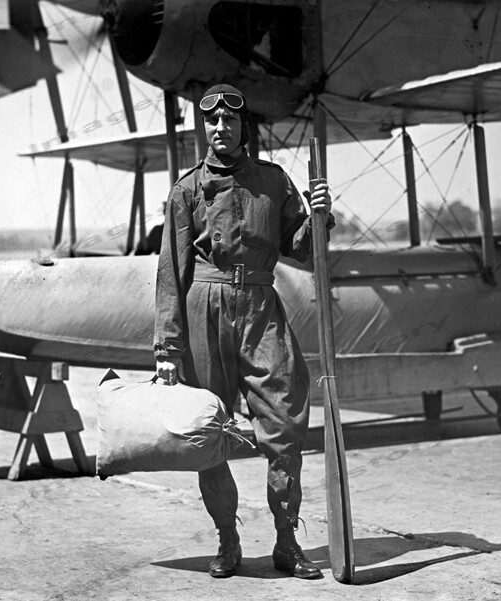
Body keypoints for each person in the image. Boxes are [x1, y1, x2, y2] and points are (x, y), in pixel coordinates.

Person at [153, 84, 333, 580]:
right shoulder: (186, 189)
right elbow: (171, 269)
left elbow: (298, 245)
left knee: (285, 421)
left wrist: (318, 216)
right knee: (207, 430)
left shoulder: (274, 182)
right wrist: (168, 347)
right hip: (202, 312)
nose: (220, 129)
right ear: (204, 129)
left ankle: (286, 540)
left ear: (242, 127)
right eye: (211, 123)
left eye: (229, 122)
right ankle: (228, 541)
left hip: (260, 306)